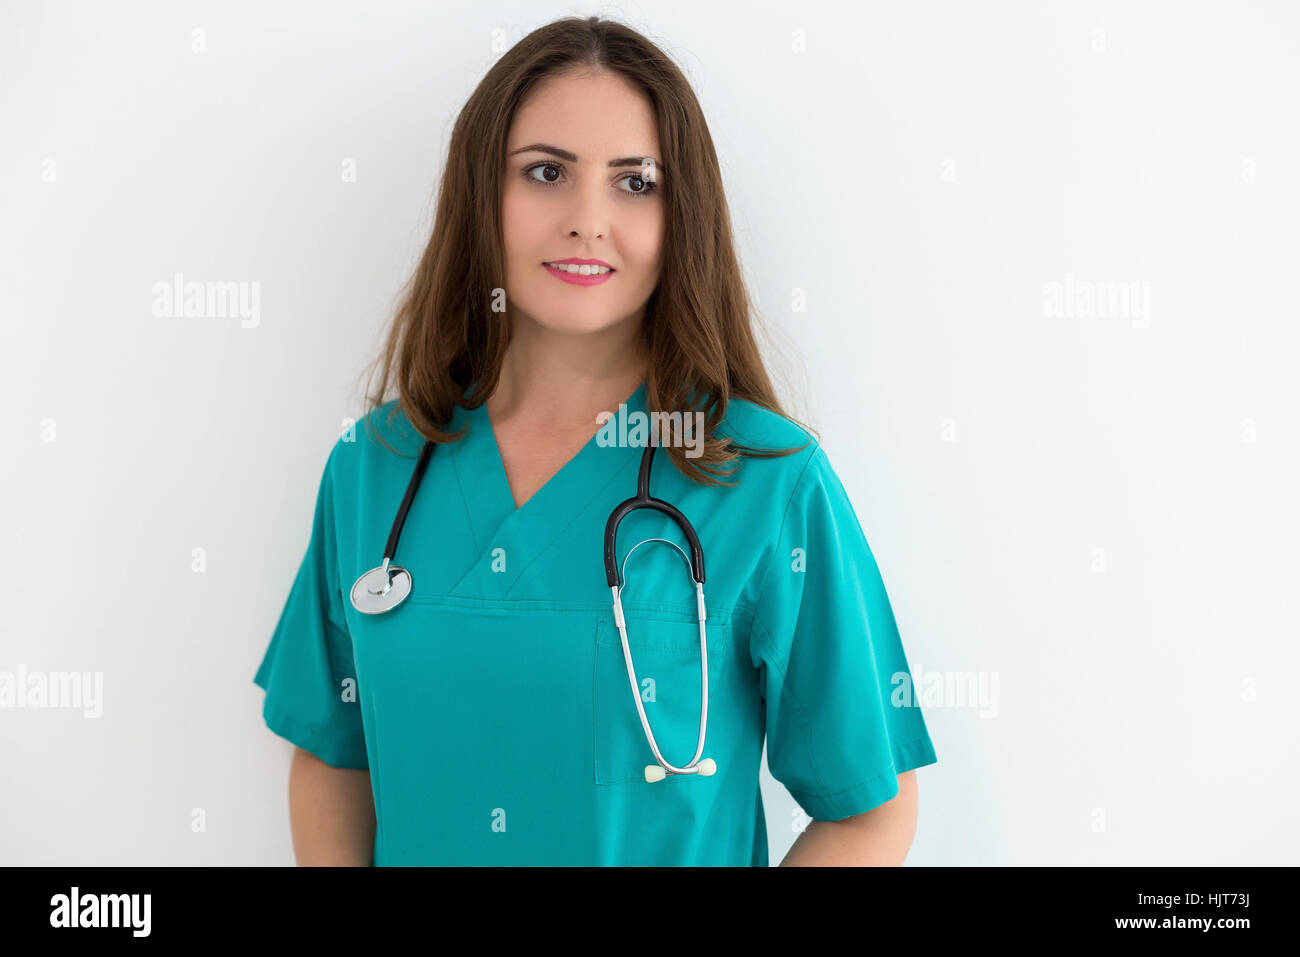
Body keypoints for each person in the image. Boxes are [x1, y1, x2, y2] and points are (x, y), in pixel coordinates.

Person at [253, 15, 937, 866]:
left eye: (635, 182)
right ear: (482, 198)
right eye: (545, 173)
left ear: (681, 215)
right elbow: (332, 755)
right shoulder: (375, 467)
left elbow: (871, 807)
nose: (587, 219)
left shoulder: (766, 481)